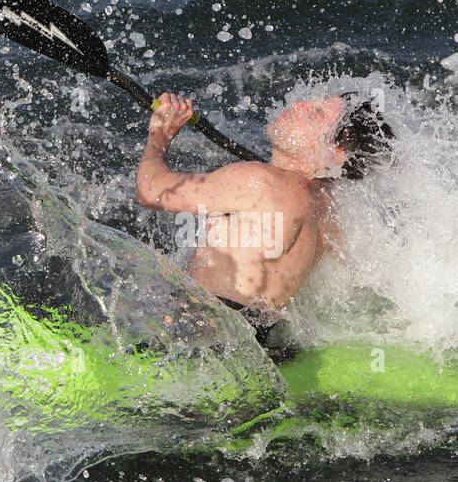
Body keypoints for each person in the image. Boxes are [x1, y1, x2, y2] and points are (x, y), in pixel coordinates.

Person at [136, 90, 393, 343]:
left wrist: (160, 133)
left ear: (335, 153)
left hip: (207, 334)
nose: (299, 104)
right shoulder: (328, 206)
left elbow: (150, 190)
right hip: (264, 341)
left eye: (315, 114)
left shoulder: (261, 180)